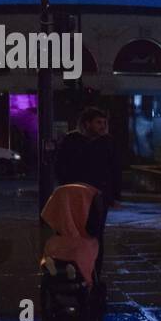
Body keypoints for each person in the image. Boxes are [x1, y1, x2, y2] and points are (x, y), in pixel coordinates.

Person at [54, 108, 122, 279]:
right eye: (98, 122)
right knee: (75, 232)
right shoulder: (72, 140)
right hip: (76, 195)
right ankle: (75, 269)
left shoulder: (107, 142)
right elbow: (61, 167)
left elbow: (115, 169)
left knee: (96, 234)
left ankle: (94, 271)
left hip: (99, 196)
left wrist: (114, 195)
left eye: (104, 123)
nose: (102, 126)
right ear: (87, 123)